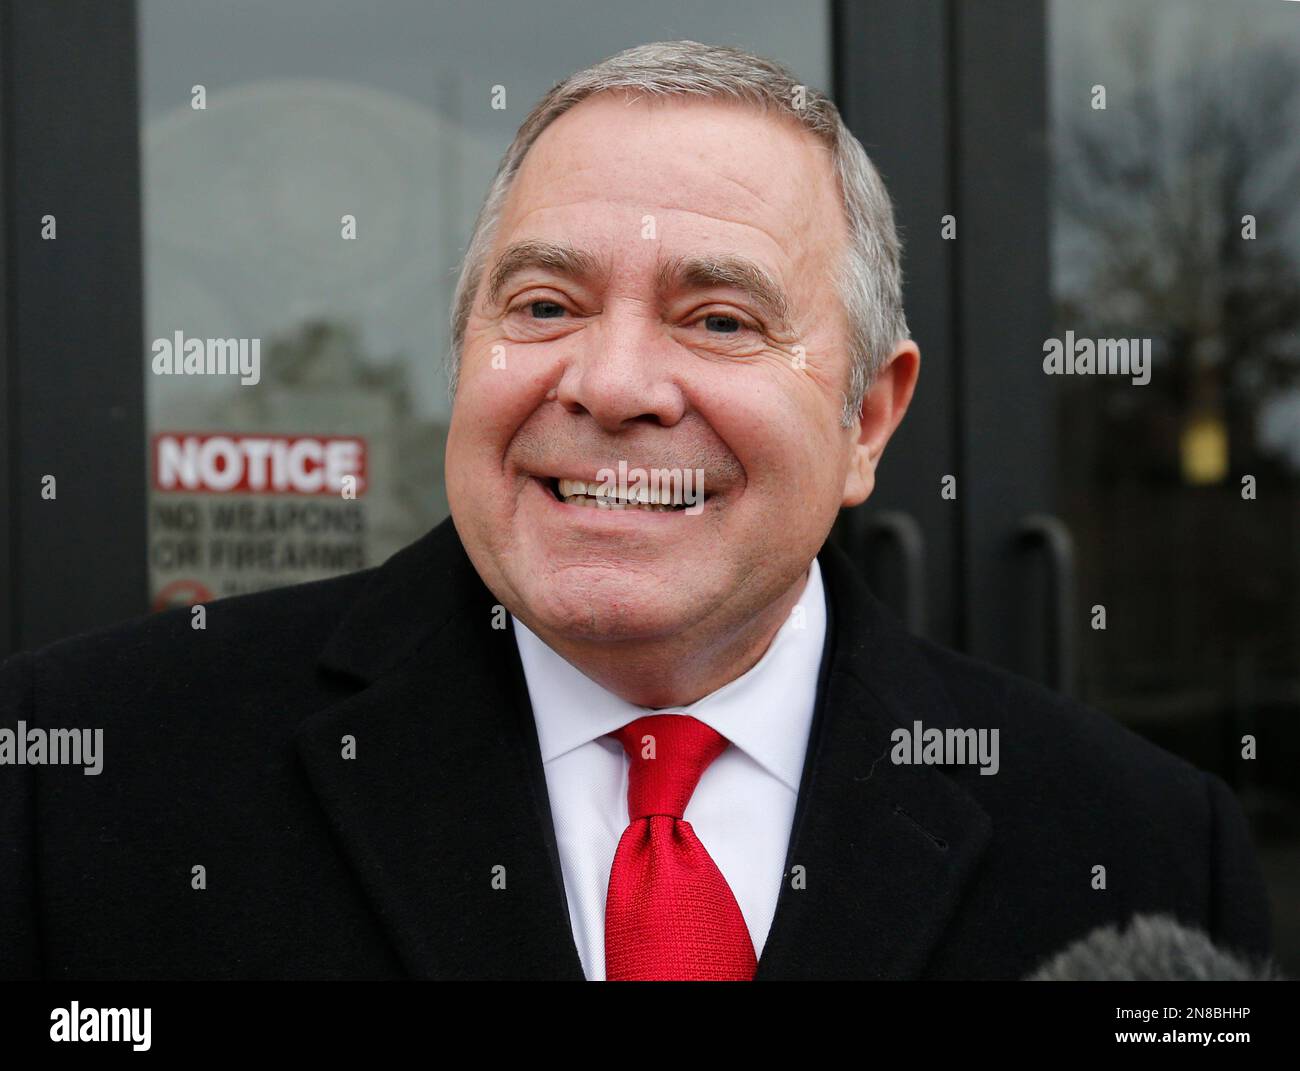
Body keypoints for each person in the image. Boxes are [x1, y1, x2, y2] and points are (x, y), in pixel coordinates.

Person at [0, 41, 1270, 980]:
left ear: (867, 422)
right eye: (544, 306)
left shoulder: (1140, 844)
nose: (608, 386)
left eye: (719, 320)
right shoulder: (85, 778)